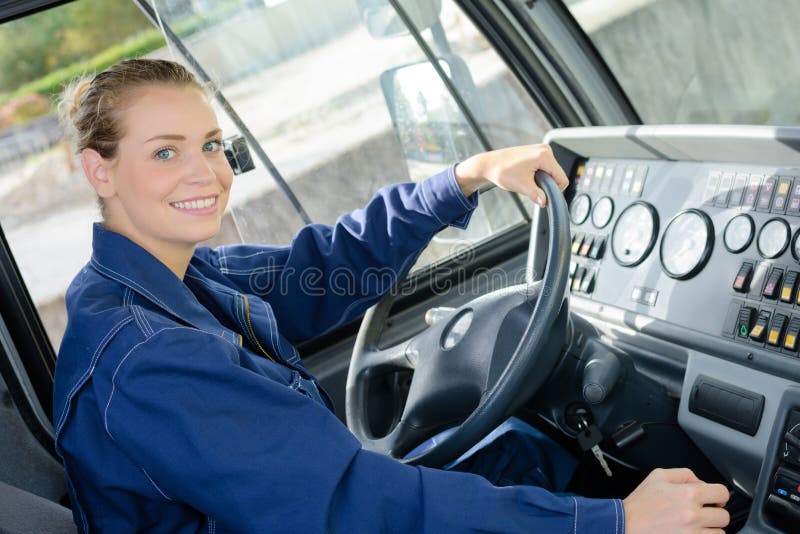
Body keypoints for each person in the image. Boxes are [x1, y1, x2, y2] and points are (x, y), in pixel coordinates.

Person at [53, 58, 730, 533]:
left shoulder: (173, 281)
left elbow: (320, 269)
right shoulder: (149, 360)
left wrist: (466, 178)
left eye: (210, 146)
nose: (205, 173)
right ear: (100, 169)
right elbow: (348, 506)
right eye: (165, 153)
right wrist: (612, 523)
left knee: (530, 449)